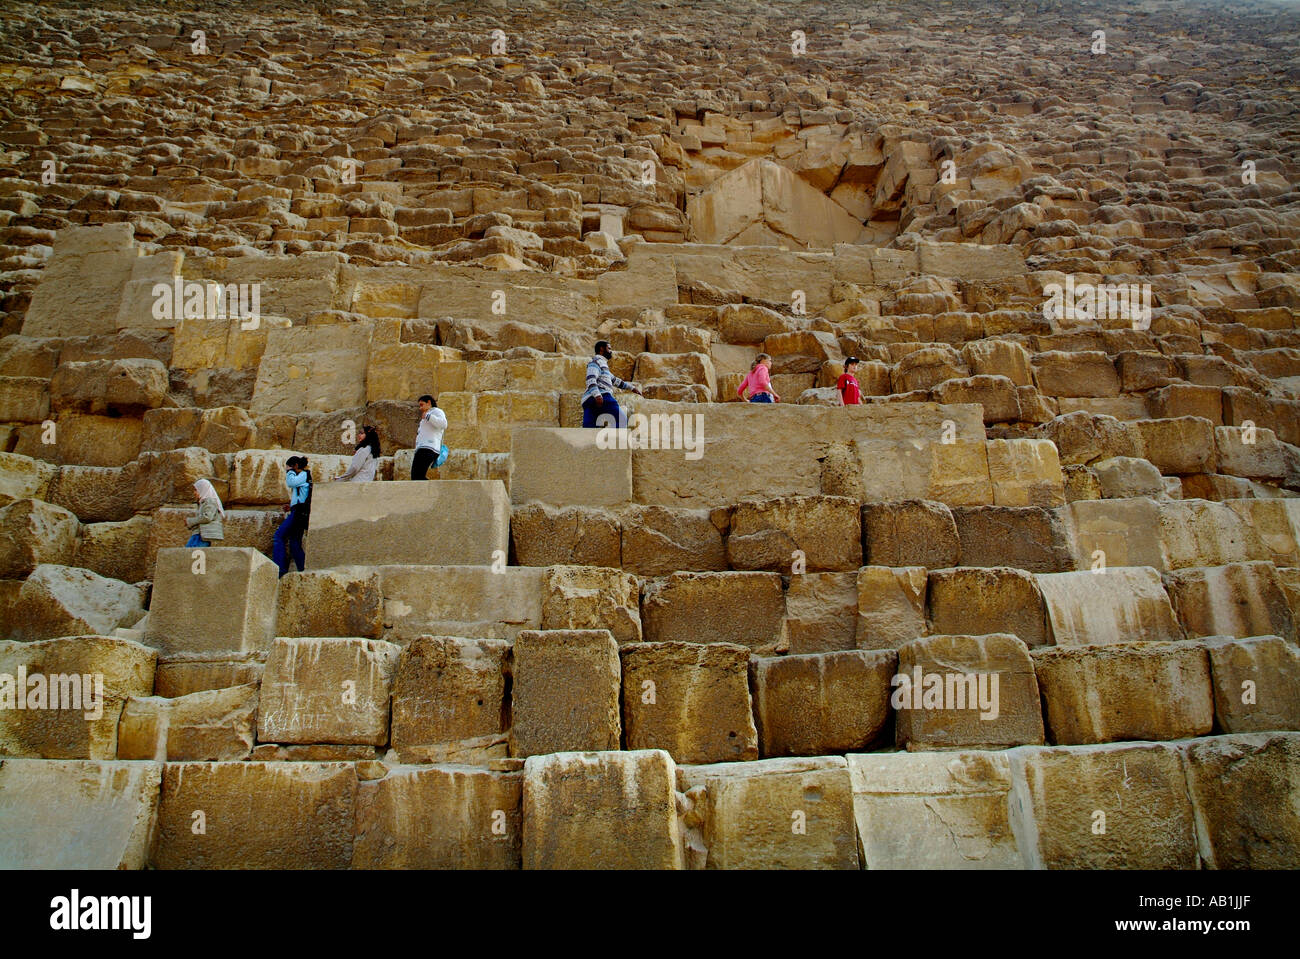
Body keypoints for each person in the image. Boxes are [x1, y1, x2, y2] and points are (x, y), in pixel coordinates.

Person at [582, 340, 642, 428]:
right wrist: (597, 395)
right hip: (603, 396)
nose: (611, 351)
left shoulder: (602, 365)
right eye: (609, 348)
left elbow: (616, 381)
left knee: (589, 428)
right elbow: (591, 379)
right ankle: (614, 441)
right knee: (621, 420)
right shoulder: (596, 362)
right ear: (602, 349)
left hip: (588, 400)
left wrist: (632, 388)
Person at [273, 456, 311, 577]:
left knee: (278, 536)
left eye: (289, 467)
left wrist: (290, 471)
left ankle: (279, 570)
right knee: (294, 543)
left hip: (299, 513)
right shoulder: (303, 476)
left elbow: (291, 482)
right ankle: (303, 570)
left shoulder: (304, 474)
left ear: (295, 465)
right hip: (298, 511)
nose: (287, 471)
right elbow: (302, 495)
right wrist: (290, 506)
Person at [412, 394, 448, 480]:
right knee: (416, 477)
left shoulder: (437, 411)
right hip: (422, 449)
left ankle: (431, 492)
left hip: (429, 448)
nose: (420, 408)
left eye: (422, 405)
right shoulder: (426, 415)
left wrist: (429, 417)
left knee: (417, 477)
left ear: (429, 402)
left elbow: (443, 424)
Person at [184, 479, 225, 547]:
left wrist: (190, 521)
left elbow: (207, 517)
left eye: (196, 490)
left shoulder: (210, 502)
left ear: (202, 489)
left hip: (203, 536)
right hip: (198, 534)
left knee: (191, 554)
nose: (194, 493)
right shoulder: (203, 503)